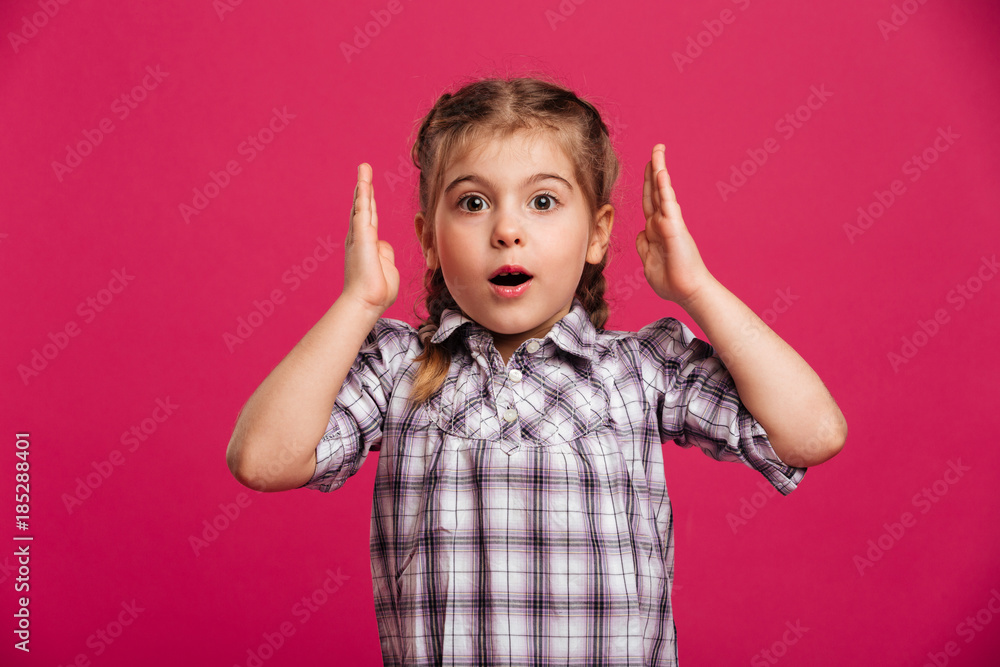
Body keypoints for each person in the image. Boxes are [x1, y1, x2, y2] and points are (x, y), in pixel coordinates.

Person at [226, 76, 847, 666]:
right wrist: (356, 304)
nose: (507, 230)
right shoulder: (396, 369)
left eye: (543, 201)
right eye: (472, 203)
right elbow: (263, 460)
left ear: (598, 233)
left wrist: (696, 289)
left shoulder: (639, 370)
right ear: (430, 241)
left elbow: (811, 434)